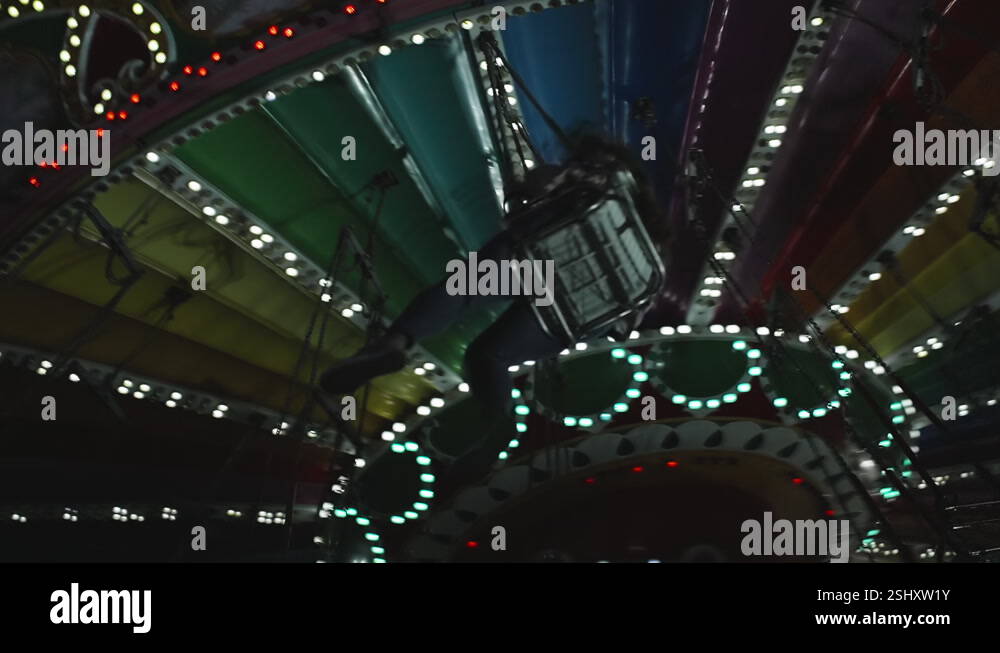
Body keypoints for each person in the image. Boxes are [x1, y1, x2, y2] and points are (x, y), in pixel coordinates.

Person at [320, 133, 668, 480]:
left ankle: (394, 343)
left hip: (547, 254)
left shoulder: (588, 181)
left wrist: (522, 187)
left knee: (461, 288)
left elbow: (533, 196)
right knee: (489, 356)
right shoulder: (642, 232)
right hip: (584, 304)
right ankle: (498, 426)